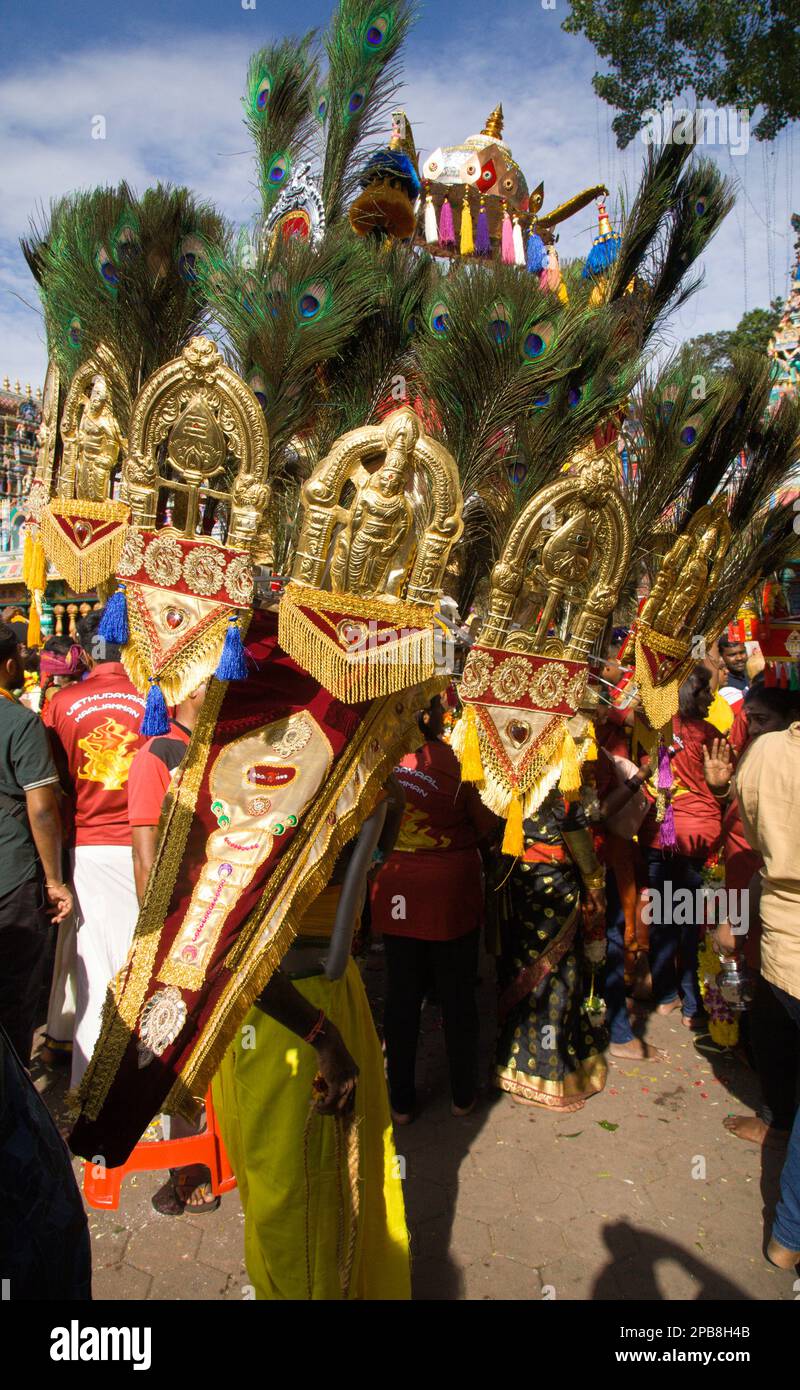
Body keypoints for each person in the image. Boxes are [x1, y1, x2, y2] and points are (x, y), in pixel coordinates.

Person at [212, 781, 412, 1299]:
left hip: (291, 1012)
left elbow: (231, 943)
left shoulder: (256, 779)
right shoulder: (353, 782)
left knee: (292, 1190)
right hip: (298, 1011)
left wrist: (321, 1037)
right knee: (291, 1186)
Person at [370, 694, 499, 1123]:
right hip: (449, 894)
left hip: (399, 890)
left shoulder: (381, 760)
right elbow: (485, 827)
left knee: (402, 995)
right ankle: (463, 1095)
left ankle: (401, 1101)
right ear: (432, 719)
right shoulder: (459, 763)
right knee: (458, 995)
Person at [43, 608, 145, 1087]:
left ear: (82, 651)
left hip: (92, 850)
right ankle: (150, 1089)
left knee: (96, 969)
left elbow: (56, 783)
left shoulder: (62, 704)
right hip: (150, 846)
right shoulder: (153, 697)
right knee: (148, 966)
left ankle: (92, 1087)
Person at [126, 684, 216, 1214]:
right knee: (178, 1047)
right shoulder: (158, 754)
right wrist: (158, 937)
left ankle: (223, 1154)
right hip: (181, 925)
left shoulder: (223, 743)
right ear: (185, 688)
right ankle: (187, 1167)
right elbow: (146, 858)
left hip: (222, 914)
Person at [705, 685, 800, 1150]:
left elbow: (767, 858)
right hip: (762, 908)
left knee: (773, 1024)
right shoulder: (762, 757)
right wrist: (724, 787)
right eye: (752, 720)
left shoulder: (775, 758)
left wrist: (734, 918)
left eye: (764, 721)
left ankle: (777, 1118)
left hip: (775, 918)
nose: (753, 729)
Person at [493, 777, 607, 1113]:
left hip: (517, 876)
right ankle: (542, 1073)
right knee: (556, 977)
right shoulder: (555, 764)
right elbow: (569, 818)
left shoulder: (512, 758)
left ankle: (515, 1063)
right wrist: (594, 880)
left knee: (528, 970)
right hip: (551, 882)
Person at [735, 715, 800, 1269]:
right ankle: (788, 1235)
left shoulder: (764, 753)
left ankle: (775, 1124)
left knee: (777, 1037)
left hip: (780, 931)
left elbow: (753, 833)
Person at [0, 621, 72, 1062]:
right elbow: (43, 808)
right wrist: (54, 879)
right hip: (10, 875)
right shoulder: (18, 722)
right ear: (10, 665)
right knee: (12, 1000)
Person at [638, 666, 724, 1029]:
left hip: (661, 834)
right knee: (690, 920)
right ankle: (692, 1004)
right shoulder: (709, 735)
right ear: (692, 693)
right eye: (706, 691)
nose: (712, 697)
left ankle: (667, 997)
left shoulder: (655, 726)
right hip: (696, 837)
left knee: (664, 917)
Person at [717, 633, 749, 705]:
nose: (739, 658)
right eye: (732, 655)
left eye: (742, 652)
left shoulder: (750, 675)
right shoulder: (723, 684)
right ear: (721, 656)